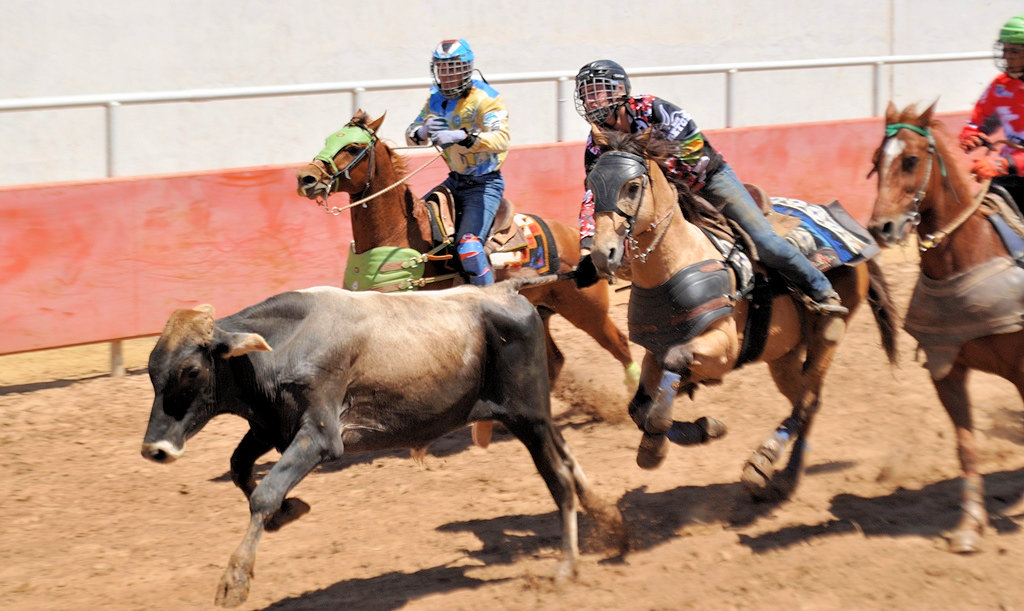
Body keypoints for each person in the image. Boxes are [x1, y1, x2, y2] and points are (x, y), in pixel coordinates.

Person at [572, 59, 847, 315]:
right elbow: (595, 191)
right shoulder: (597, 140)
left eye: (598, 91)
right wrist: (587, 245)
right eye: (586, 94)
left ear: (619, 91)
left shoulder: (654, 109)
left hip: (707, 181)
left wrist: (658, 176)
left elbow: (694, 152)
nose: (591, 100)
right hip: (659, 195)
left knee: (765, 242)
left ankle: (821, 290)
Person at [406, 38, 510, 286]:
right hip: (454, 181)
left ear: (467, 69)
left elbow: (502, 139)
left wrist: (464, 137)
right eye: (443, 70)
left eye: (453, 70)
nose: (448, 77)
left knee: (470, 247)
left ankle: (492, 303)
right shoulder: (434, 99)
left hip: (484, 184)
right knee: (414, 223)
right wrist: (421, 131)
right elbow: (411, 133)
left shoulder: (487, 98)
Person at [959, 14, 1024, 208]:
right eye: (1005, 50)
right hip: (1009, 175)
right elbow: (978, 123)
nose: (1006, 56)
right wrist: (971, 135)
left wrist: (1002, 164)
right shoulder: (1000, 86)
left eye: (1014, 51)